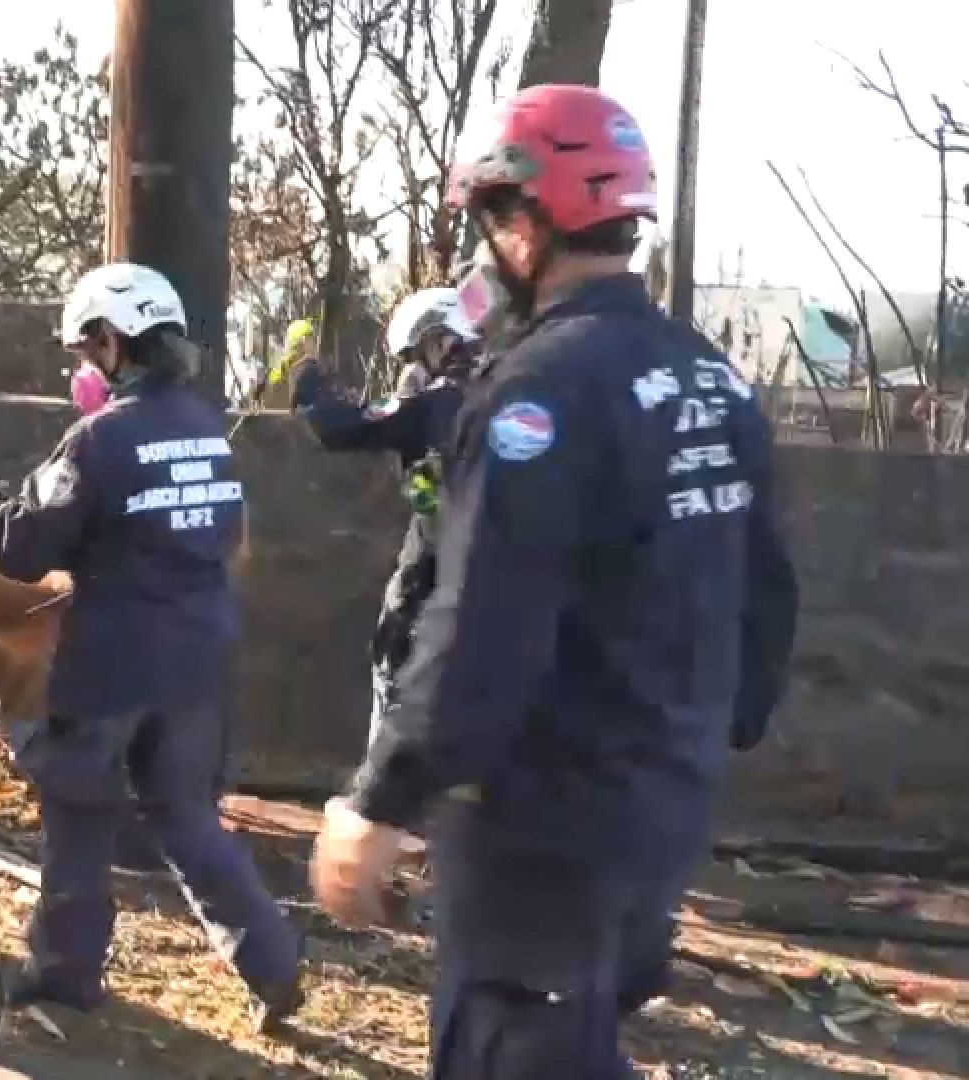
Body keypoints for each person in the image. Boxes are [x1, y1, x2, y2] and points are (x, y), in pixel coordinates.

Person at [308, 84, 799, 1078]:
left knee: (514, 1050)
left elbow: (484, 624)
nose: (484, 251)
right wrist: (716, 729)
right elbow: (766, 589)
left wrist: (381, 799)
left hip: (546, 825)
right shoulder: (711, 377)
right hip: (665, 804)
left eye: (488, 219)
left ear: (525, 221)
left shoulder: (539, 390)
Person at [0, 262, 302, 1031]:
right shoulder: (204, 426)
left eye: (87, 349)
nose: (84, 367)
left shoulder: (99, 439)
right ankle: (273, 964)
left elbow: (23, 545)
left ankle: (63, 976)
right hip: (198, 658)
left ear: (114, 342)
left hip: (111, 663)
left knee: (78, 813)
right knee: (186, 816)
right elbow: (228, 535)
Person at [298, 287, 481, 752]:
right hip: (499, 571)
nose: (411, 371)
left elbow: (340, 426)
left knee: (396, 664)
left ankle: (385, 775)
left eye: (414, 356)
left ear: (438, 340)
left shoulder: (439, 400)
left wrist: (311, 386)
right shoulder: (511, 386)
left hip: (435, 563)